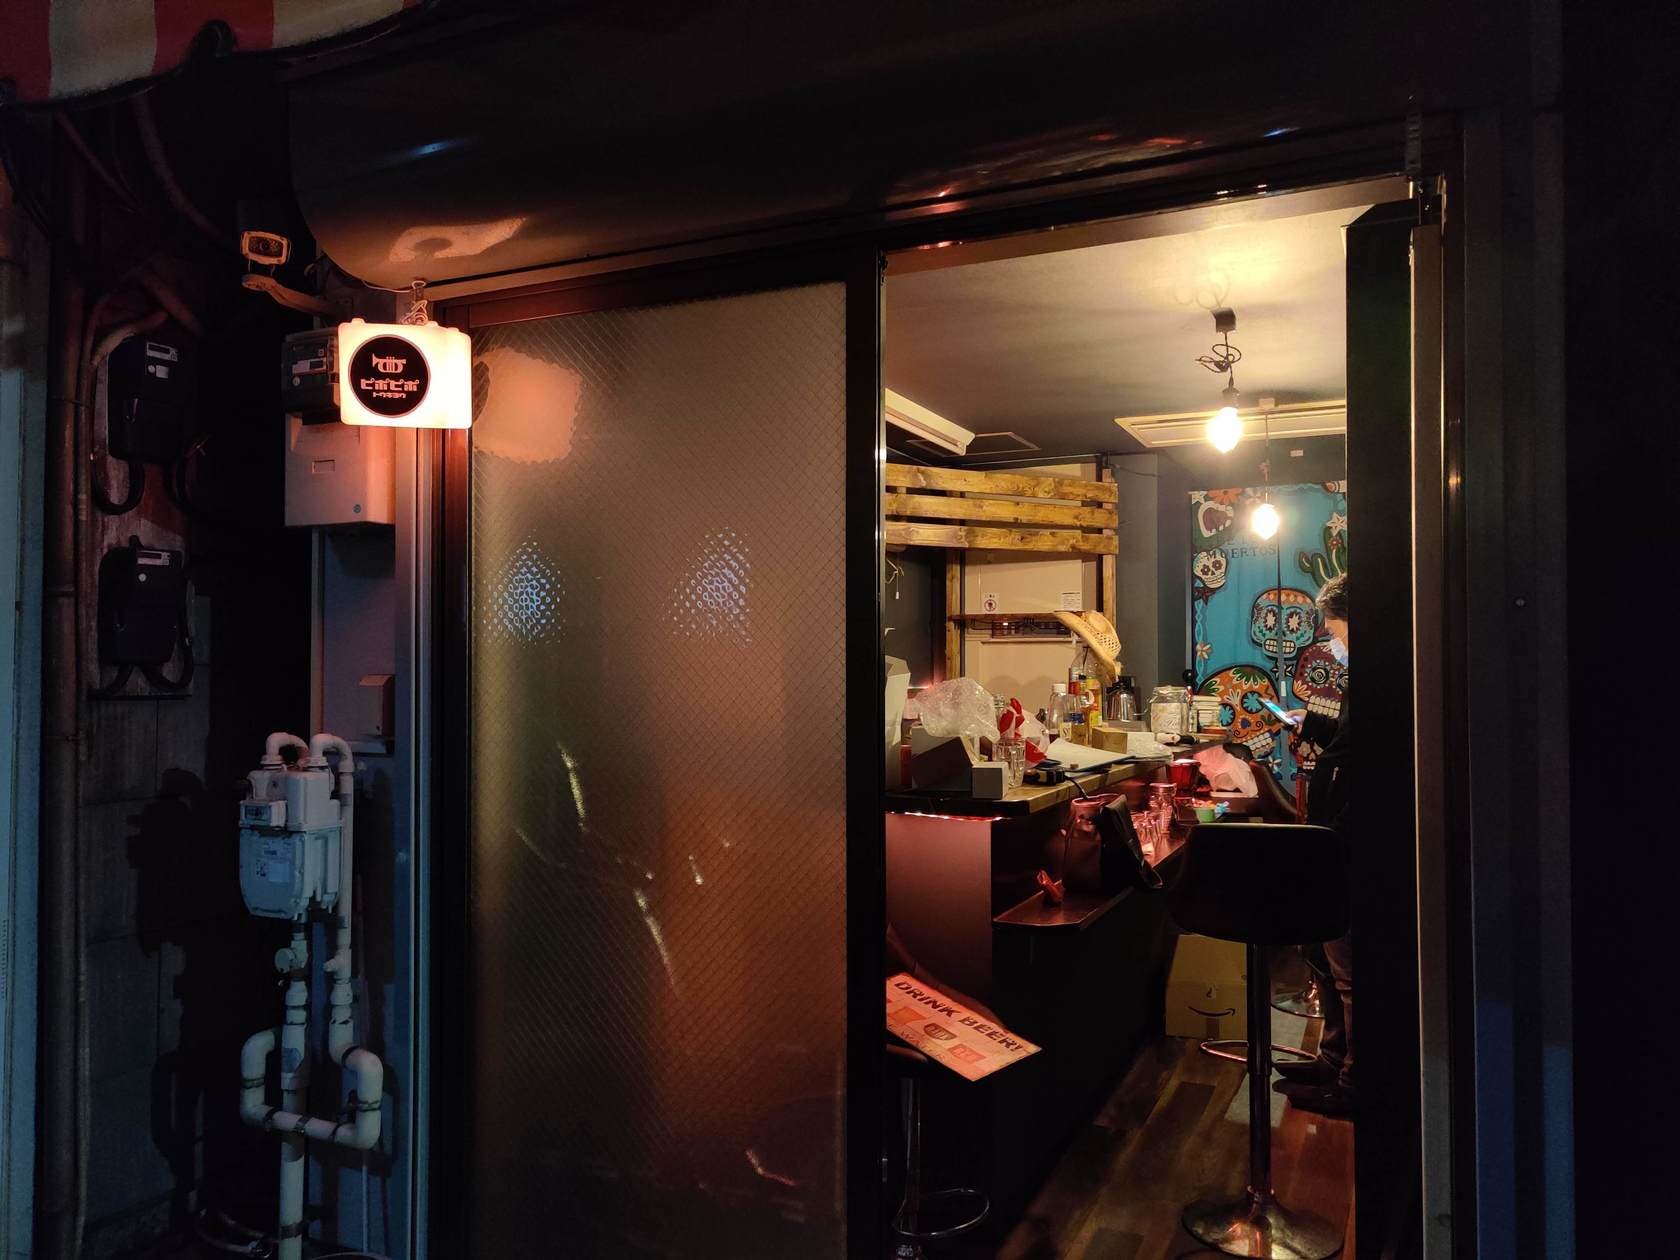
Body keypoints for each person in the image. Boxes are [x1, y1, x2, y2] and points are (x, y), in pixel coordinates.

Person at [1275, 572, 1354, 1117]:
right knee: (1326, 958)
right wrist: (1316, 725)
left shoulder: (1385, 674)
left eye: (1334, 625)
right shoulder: (1358, 679)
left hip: (1347, 836)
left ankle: (1352, 1082)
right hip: (1332, 831)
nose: (1329, 636)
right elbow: (1345, 741)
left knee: (1347, 966)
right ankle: (1332, 1059)